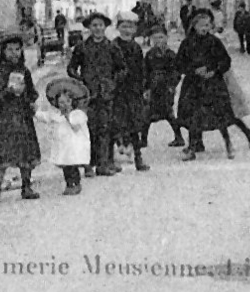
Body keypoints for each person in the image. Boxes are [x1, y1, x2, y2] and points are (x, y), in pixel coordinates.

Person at [175, 7, 240, 161]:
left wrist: (214, 70)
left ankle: (228, 144)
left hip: (213, 84)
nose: (204, 28)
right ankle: (193, 146)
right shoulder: (187, 43)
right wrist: (193, 70)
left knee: (219, 115)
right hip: (193, 85)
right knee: (193, 115)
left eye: (207, 25)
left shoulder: (215, 42)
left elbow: (225, 60)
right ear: (194, 26)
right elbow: (179, 63)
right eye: (201, 25)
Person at [68, 11, 123, 176]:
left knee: (105, 128)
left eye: (100, 25)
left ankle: (104, 163)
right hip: (87, 95)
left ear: (105, 27)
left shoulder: (112, 47)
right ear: (89, 28)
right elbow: (71, 68)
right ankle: (89, 164)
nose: (98, 28)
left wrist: (112, 82)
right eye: (94, 25)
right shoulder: (82, 47)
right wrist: (80, 81)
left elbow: (122, 68)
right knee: (88, 129)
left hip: (106, 94)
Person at [0, 33, 41, 201]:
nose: (14, 53)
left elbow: (32, 91)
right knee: (2, 154)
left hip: (22, 115)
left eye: (17, 49)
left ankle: (26, 186)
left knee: (25, 152)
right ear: (3, 51)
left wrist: (31, 101)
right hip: (3, 117)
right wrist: (9, 92)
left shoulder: (24, 71)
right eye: (9, 50)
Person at [111, 11, 151, 172]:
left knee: (135, 125)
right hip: (117, 91)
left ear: (135, 29)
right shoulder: (113, 46)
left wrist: (144, 87)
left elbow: (142, 69)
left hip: (133, 90)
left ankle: (138, 158)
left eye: (130, 27)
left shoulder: (136, 47)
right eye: (124, 26)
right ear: (118, 28)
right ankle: (112, 158)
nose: (127, 30)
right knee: (116, 124)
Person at [37, 78, 91, 195]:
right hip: (61, 145)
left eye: (67, 101)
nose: (64, 105)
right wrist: (35, 112)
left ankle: (76, 183)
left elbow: (76, 126)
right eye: (61, 103)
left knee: (72, 166)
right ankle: (69, 184)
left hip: (73, 146)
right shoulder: (56, 114)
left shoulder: (78, 114)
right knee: (66, 167)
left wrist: (68, 116)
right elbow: (45, 117)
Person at [143, 24, 183, 147]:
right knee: (147, 114)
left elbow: (176, 72)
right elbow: (145, 71)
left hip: (166, 88)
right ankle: (143, 140)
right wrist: (146, 88)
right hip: (153, 87)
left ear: (166, 38)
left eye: (160, 37)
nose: (158, 41)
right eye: (155, 38)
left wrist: (172, 85)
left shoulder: (171, 55)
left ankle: (179, 137)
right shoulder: (149, 55)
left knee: (169, 113)